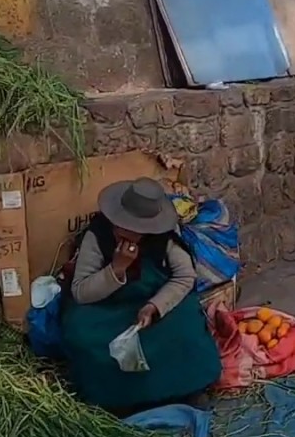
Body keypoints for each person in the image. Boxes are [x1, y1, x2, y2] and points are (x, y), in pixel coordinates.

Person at [60, 178, 222, 416]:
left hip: (153, 300)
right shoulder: (97, 237)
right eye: (123, 226)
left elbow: (184, 278)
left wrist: (154, 307)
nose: (128, 233)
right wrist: (117, 268)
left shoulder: (165, 237)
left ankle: (187, 388)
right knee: (81, 332)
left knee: (186, 326)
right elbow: (81, 292)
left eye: (137, 230)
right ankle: (116, 400)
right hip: (107, 306)